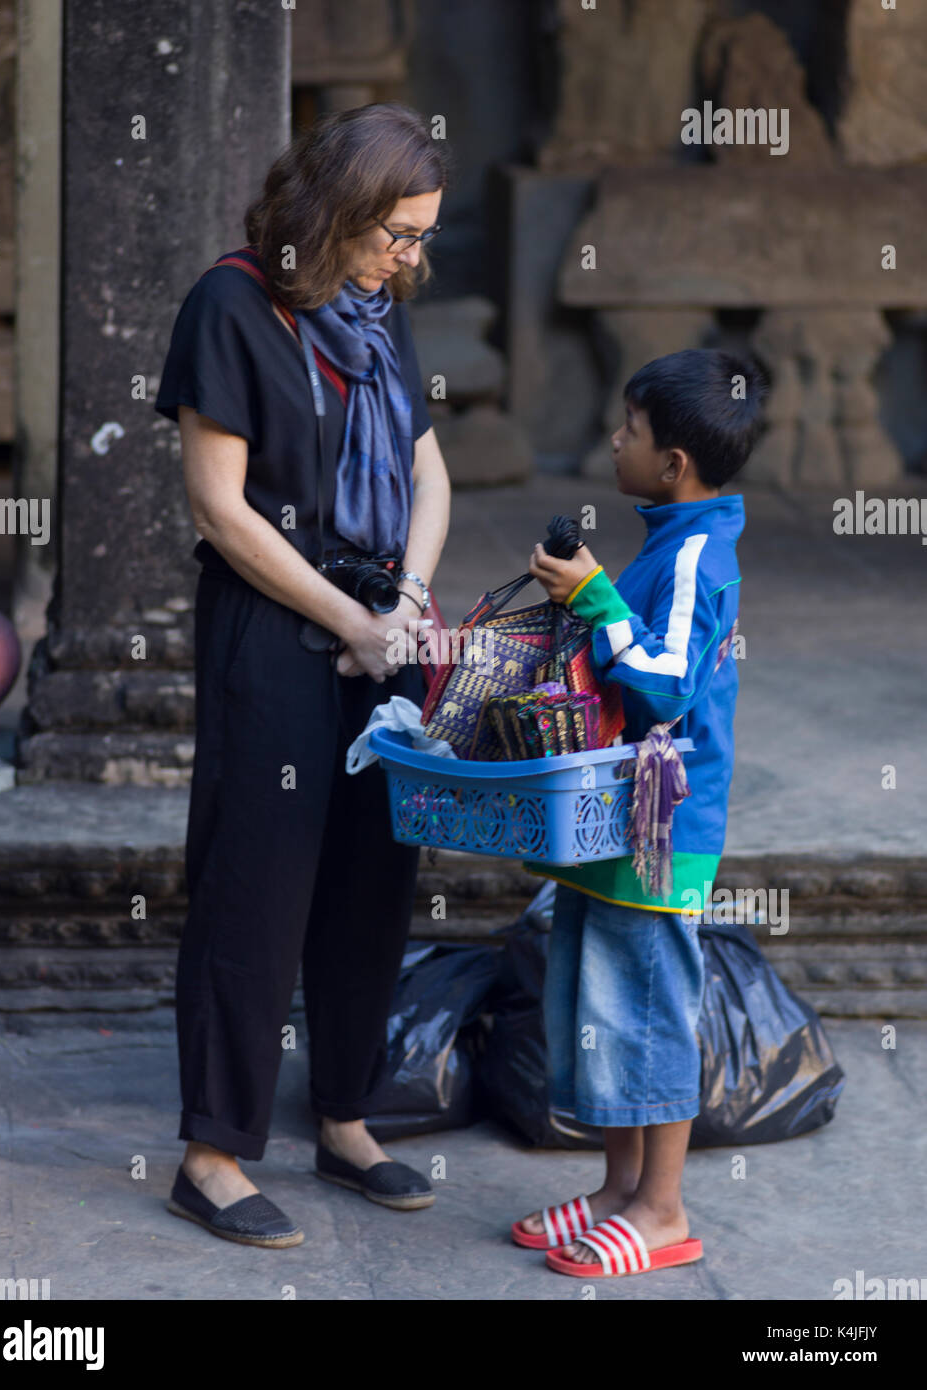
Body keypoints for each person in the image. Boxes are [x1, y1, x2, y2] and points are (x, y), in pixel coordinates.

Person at [152, 103, 452, 1247]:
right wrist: (347, 618)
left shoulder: (376, 314)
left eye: (421, 236)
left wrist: (405, 609)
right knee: (257, 877)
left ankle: (344, 1115)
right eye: (396, 234)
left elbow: (427, 471)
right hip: (274, 622)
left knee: (374, 873)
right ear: (335, 211)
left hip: (382, 619)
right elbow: (219, 509)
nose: (409, 258)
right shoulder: (232, 304)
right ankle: (211, 1151)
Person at [515, 348, 766, 1278]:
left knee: (652, 1007)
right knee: (603, 999)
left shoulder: (701, 551)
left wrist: (595, 597)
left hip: (665, 831)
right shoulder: (671, 534)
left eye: (630, 429)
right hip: (619, 815)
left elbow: (664, 685)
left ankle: (663, 1210)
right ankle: (618, 1191)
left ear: (674, 465)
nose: (613, 441)